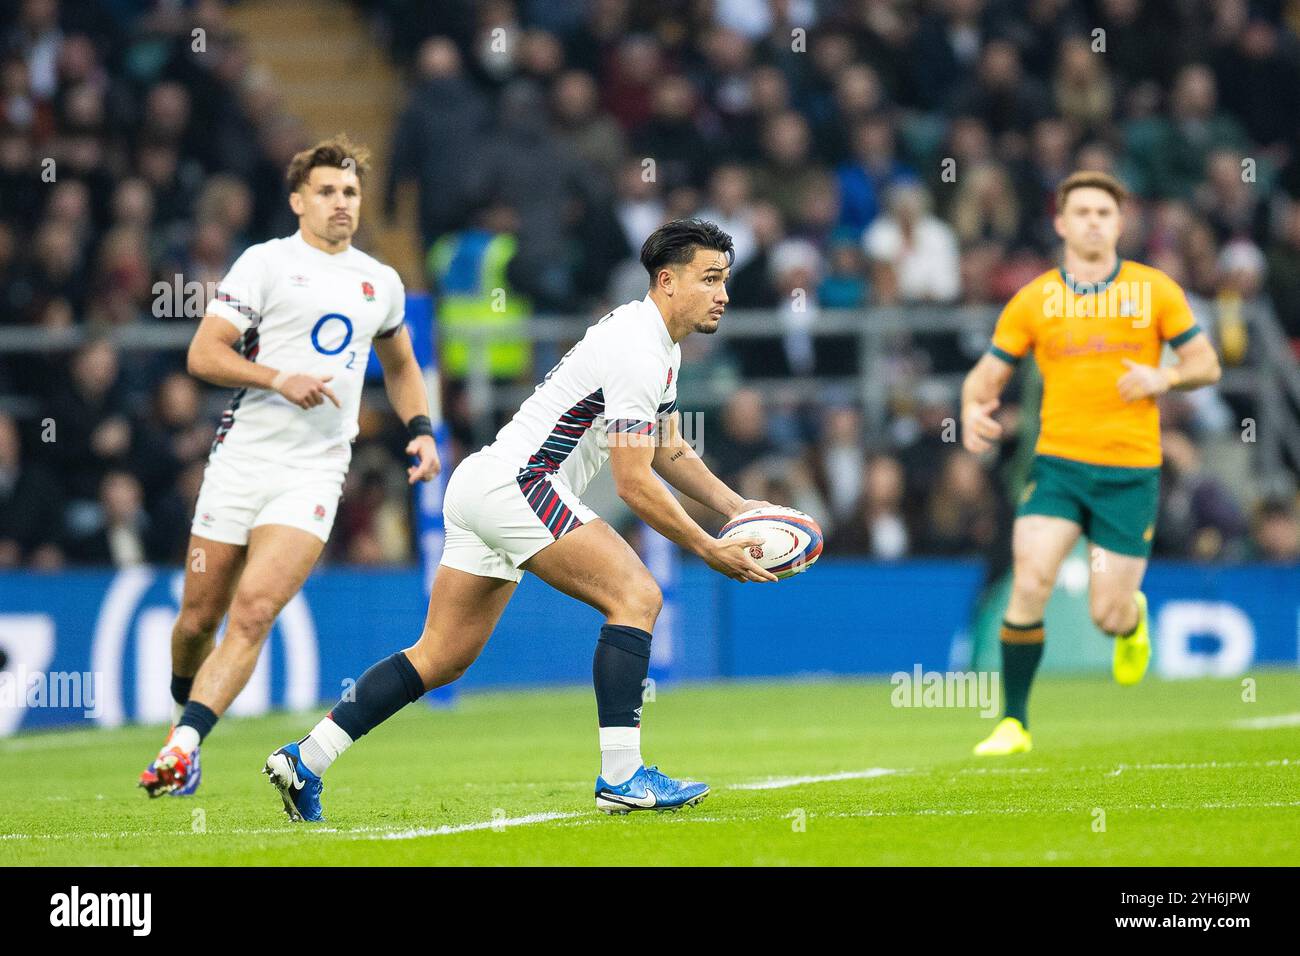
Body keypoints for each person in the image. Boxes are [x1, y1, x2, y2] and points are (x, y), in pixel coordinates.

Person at [264, 219, 778, 821]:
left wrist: (736, 509)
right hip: (522, 485)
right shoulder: (640, 349)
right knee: (637, 597)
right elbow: (634, 482)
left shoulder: (655, 342)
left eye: (725, 281)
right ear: (667, 281)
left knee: (441, 657)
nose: (723, 294)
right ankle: (622, 776)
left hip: (486, 484)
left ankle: (307, 759)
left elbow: (669, 449)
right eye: (710, 279)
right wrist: (709, 546)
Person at [138, 135, 441, 796]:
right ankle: (178, 720)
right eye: (328, 191)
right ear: (299, 200)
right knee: (197, 619)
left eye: (351, 192)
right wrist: (278, 377)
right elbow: (204, 354)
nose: (341, 203)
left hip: (314, 474)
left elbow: (402, 366)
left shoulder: (379, 283)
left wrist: (421, 430)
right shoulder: (265, 264)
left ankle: (184, 748)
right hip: (242, 461)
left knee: (252, 612)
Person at [960, 171, 1222, 756]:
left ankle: (1132, 622)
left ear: (1120, 223)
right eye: (1081, 212)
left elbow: (1207, 363)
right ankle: (1014, 723)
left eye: (1104, 212)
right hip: (1058, 466)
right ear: (1060, 222)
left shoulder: (1155, 291)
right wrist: (973, 408)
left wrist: (1165, 375)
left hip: (1130, 473)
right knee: (1029, 581)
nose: (1093, 221)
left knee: (1108, 613)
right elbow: (988, 373)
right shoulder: (1034, 300)